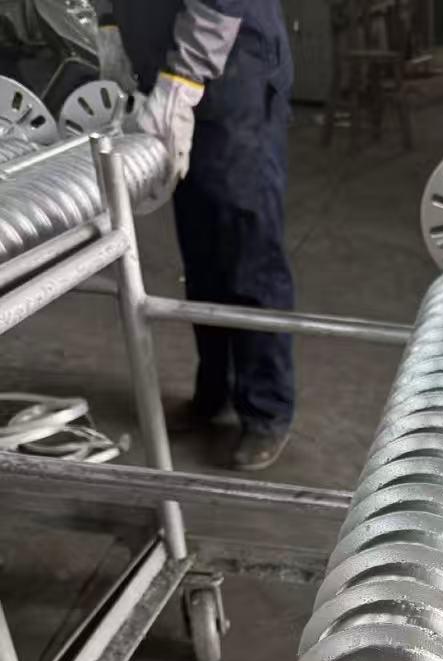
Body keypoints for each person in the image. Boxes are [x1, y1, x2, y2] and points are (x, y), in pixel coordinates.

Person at [94, 0, 296, 471]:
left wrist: (181, 79)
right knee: (201, 249)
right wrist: (110, 27)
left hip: (235, 73)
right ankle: (215, 392)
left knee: (248, 250)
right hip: (167, 70)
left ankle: (266, 408)